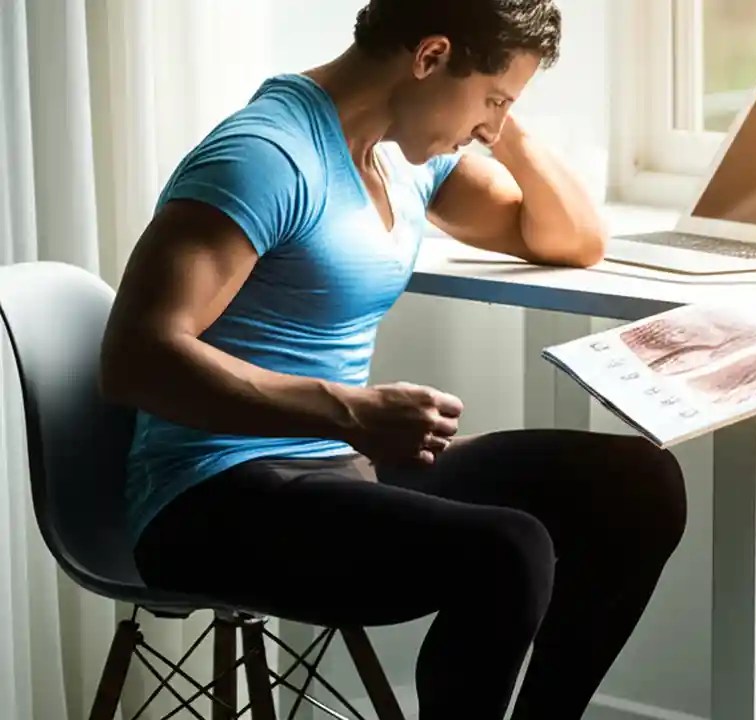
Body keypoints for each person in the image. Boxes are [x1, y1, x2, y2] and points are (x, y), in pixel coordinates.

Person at [97, 1, 688, 717]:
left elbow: (571, 237)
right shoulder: (264, 156)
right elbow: (137, 358)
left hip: (338, 466)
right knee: (508, 550)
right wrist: (347, 411)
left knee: (638, 484)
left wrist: (501, 113)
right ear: (431, 56)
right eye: (493, 100)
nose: (490, 128)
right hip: (209, 498)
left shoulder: (400, 160)